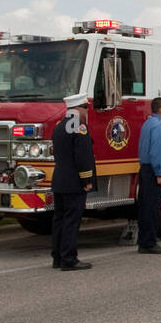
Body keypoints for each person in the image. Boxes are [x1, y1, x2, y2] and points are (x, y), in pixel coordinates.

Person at [50, 93, 97, 271]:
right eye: (86, 108)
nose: (87, 111)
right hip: (74, 182)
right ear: (79, 108)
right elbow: (83, 156)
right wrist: (87, 179)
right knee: (71, 221)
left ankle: (57, 257)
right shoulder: (79, 127)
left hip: (60, 180)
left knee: (59, 220)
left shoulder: (59, 126)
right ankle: (69, 259)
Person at [137, 96, 161, 254]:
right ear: (160, 109)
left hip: (144, 168)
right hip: (152, 170)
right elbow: (156, 152)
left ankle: (143, 240)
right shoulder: (158, 126)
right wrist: (159, 173)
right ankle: (149, 243)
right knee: (152, 207)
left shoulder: (147, 123)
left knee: (145, 207)